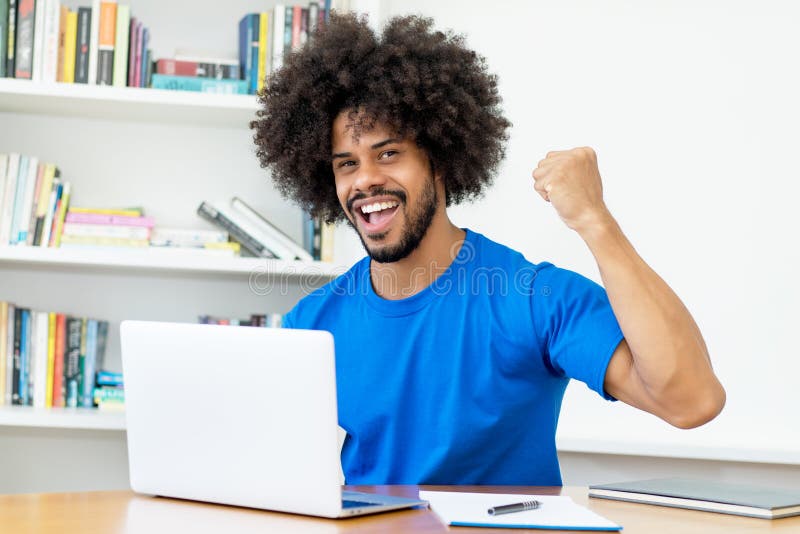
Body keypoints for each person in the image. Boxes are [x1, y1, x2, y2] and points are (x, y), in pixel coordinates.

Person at [250, 13, 725, 485]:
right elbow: (270, 470)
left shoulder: (533, 299)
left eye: (388, 153)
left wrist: (595, 221)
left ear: (439, 160)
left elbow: (691, 401)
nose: (366, 179)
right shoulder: (312, 325)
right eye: (346, 164)